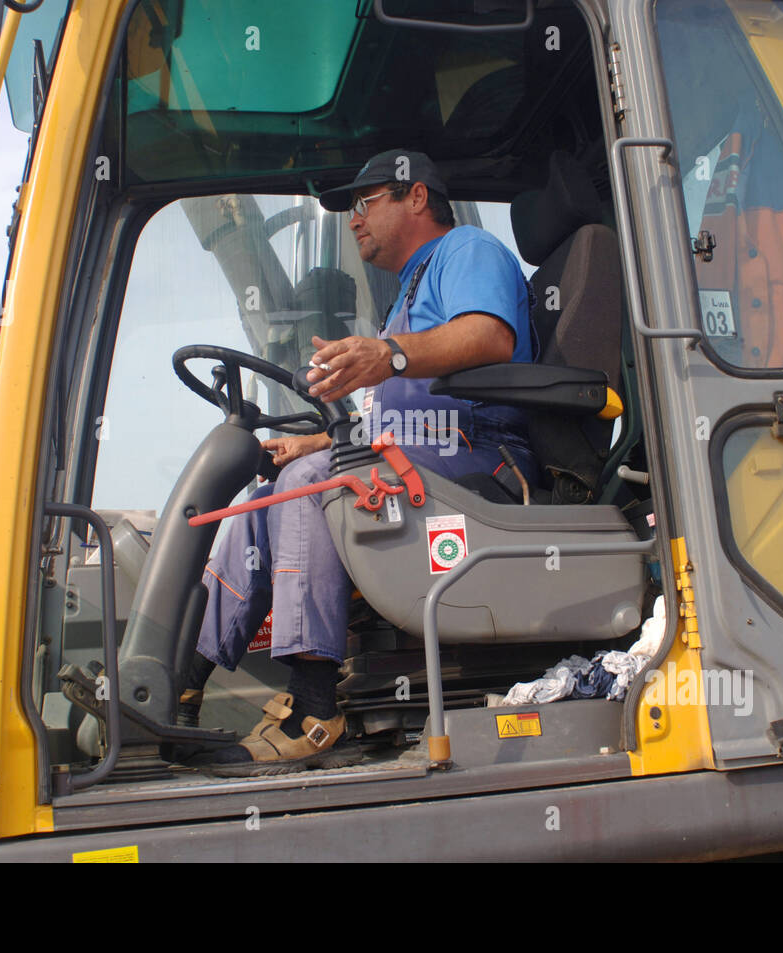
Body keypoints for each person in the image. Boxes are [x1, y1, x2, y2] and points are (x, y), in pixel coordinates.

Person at [179, 149, 537, 775]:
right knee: (271, 490)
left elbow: (490, 336)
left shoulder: (467, 252)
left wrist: (389, 355)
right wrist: (316, 441)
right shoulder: (411, 290)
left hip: (481, 457)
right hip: (416, 453)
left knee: (312, 485)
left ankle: (315, 706)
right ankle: (181, 685)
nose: (353, 220)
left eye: (366, 203)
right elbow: (391, 413)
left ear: (417, 197)